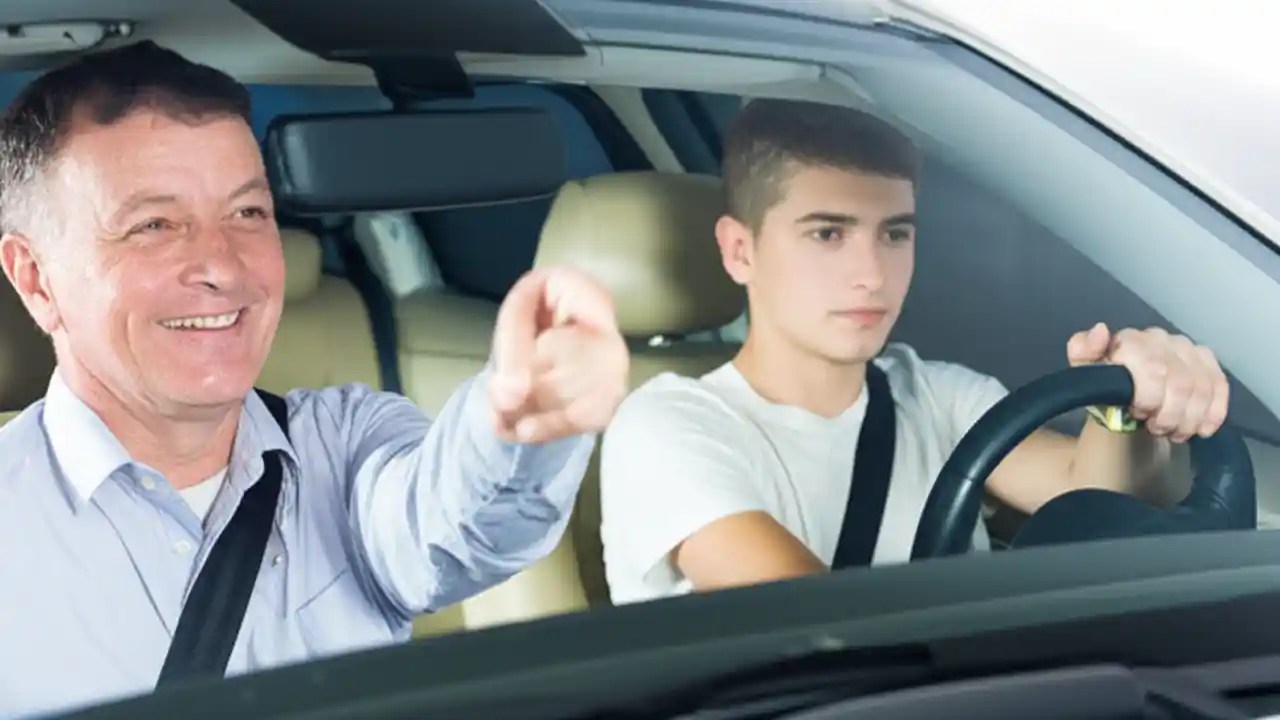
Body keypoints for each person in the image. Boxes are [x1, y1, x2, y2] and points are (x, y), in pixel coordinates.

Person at [0, 41, 628, 717]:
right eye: (154, 225)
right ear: (36, 278)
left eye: (248, 213)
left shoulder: (349, 443)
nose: (223, 265)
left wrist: (519, 421)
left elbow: (450, 521)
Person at [599, 98, 1230, 605]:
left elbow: (1093, 495)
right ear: (741, 251)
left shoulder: (935, 394)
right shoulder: (667, 427)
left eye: (894, 233)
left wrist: (1125, 399)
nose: (872, 274)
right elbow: (814, 626)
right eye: (828, 233)